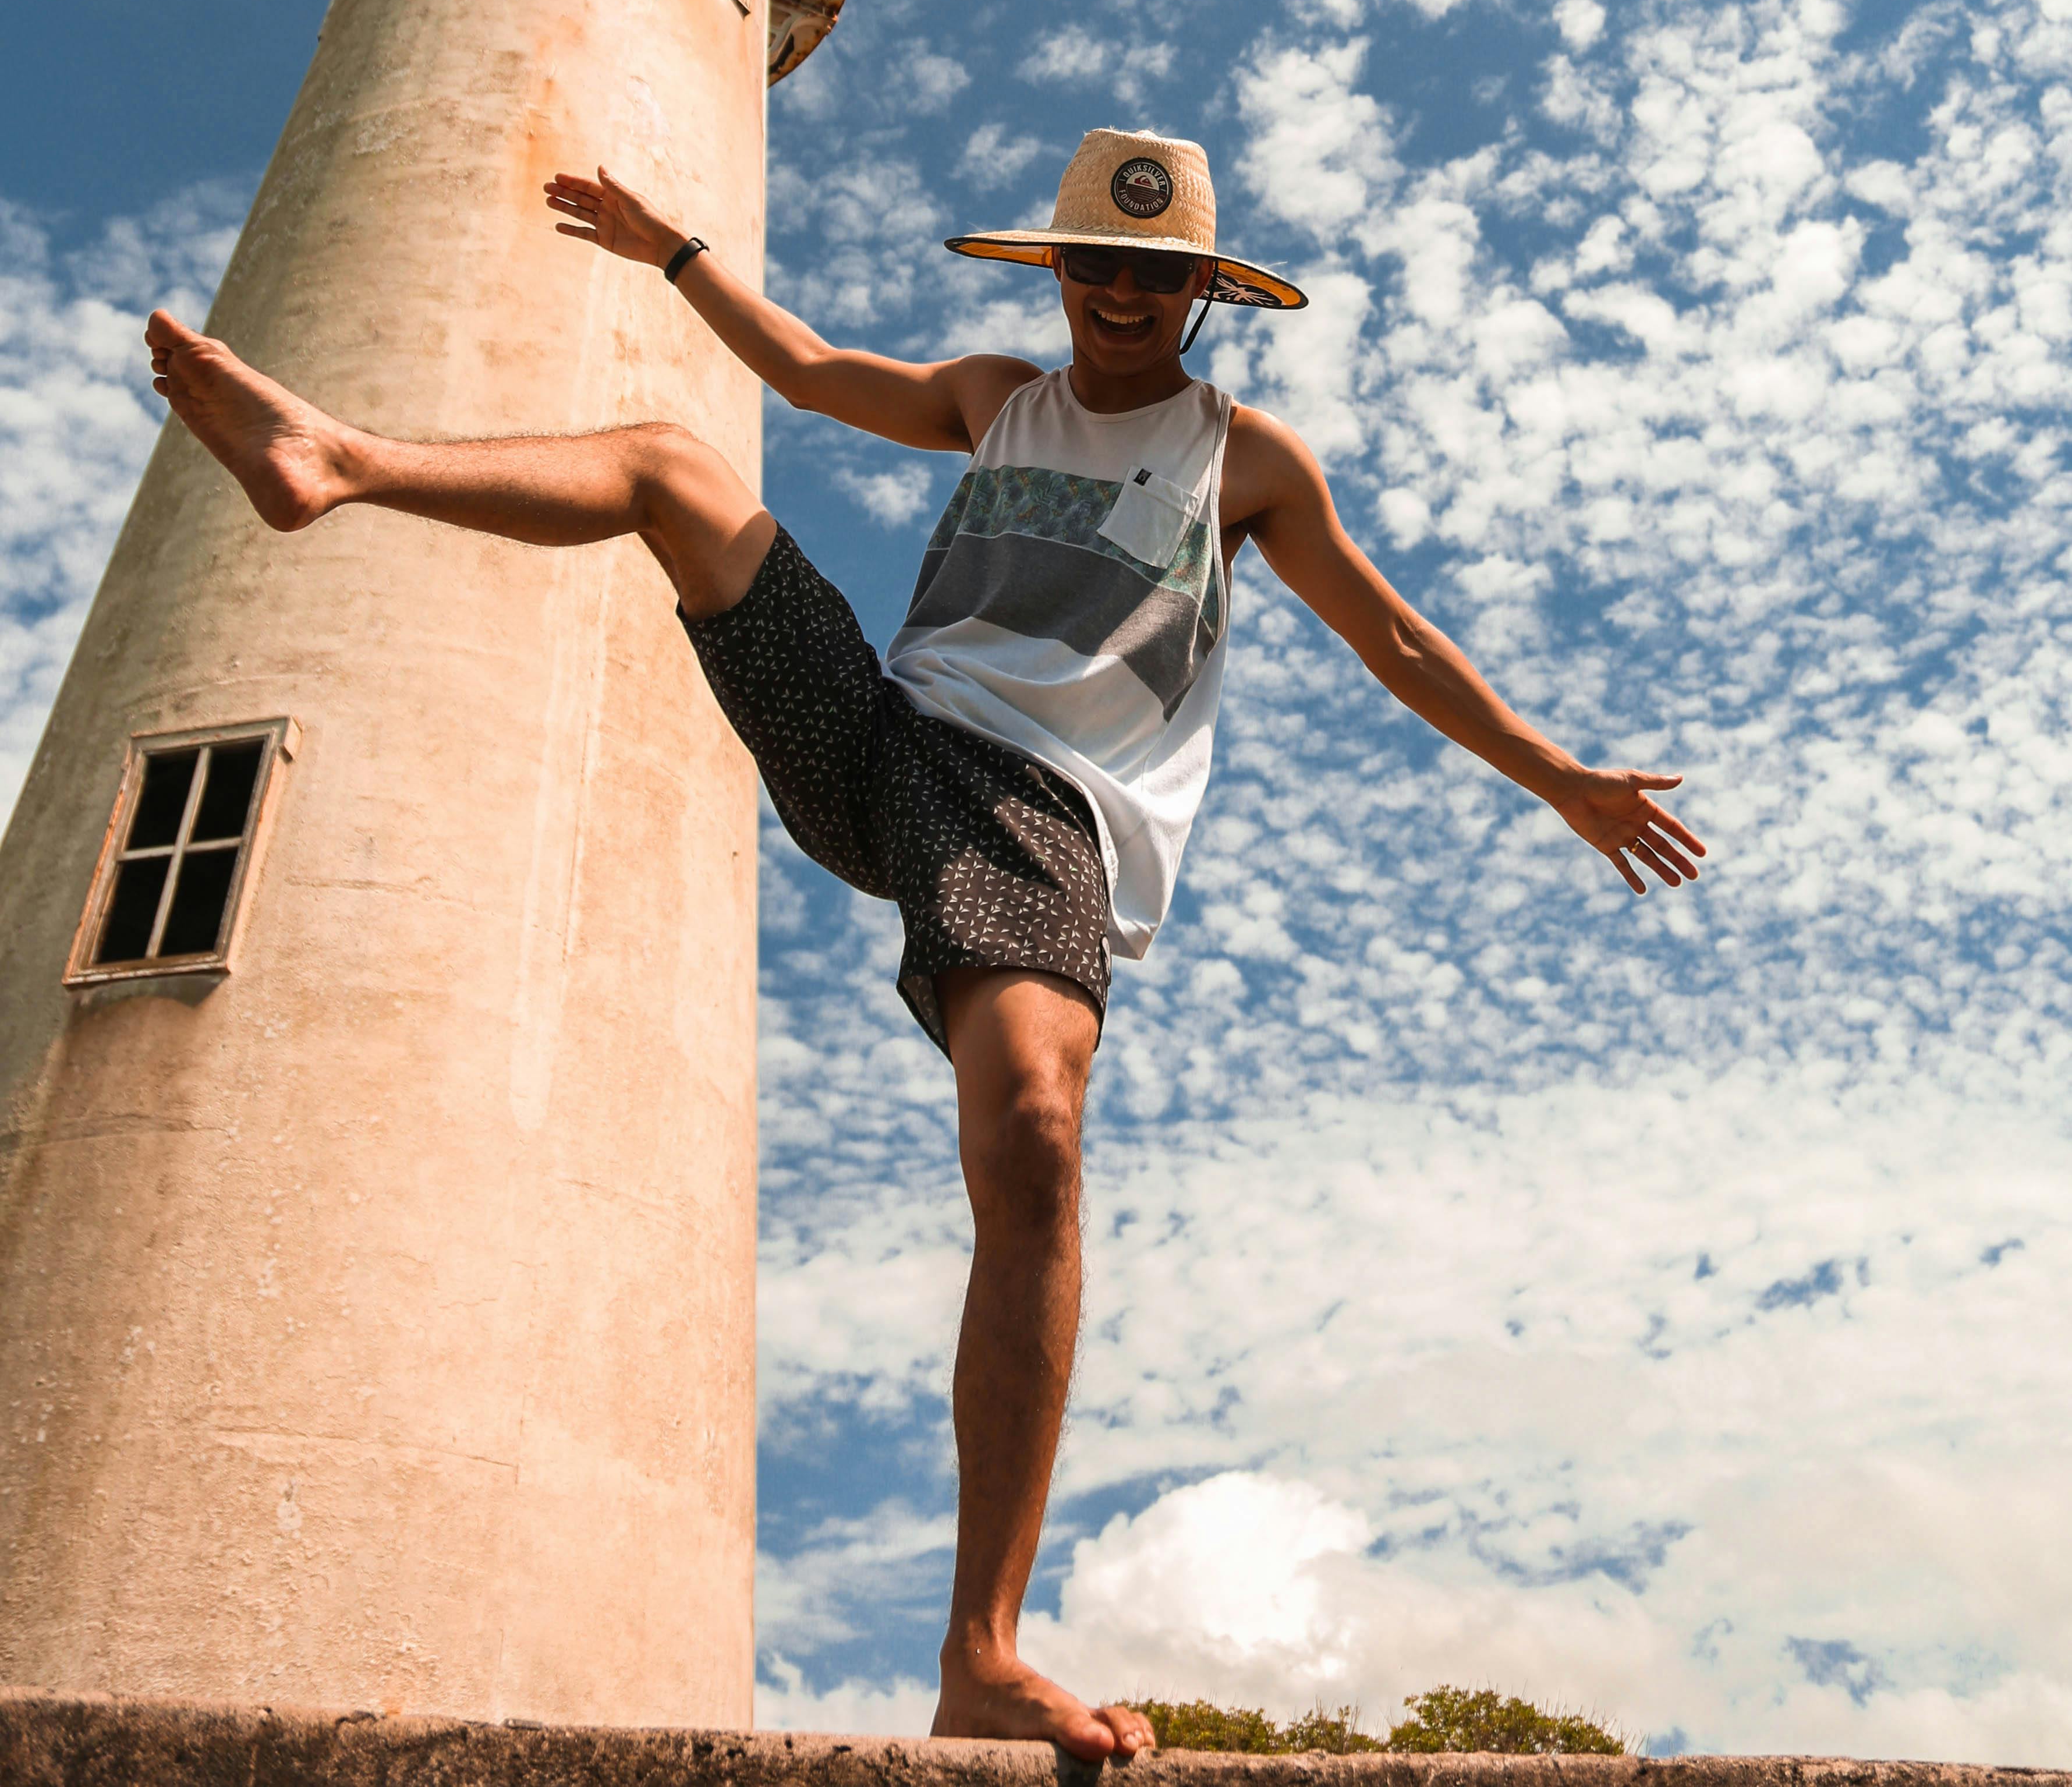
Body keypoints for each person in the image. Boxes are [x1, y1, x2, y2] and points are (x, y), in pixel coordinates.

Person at [146, 123, 1703, 1765]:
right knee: (673, 463)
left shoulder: (1247, 460)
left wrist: (1559, 777)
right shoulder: (991, 395)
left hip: (1048, 820)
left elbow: (1390, 631)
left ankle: (981, 1649)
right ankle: (334, 460)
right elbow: (812, 373)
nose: (1117, 294)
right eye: (1093, 262)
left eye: (1155, 274)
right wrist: (673, 247)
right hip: (891, 744)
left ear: (1201, 294)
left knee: (1033, 1130)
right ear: (1058, 269)